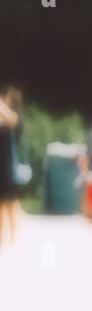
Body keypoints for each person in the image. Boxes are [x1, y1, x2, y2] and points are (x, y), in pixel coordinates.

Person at [0, 87, 25, 249]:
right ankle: (2, 238)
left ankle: (14, 237)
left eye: (6, 97)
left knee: (10, 203)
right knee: (1, 204)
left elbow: (9, 118)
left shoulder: (16, 117)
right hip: (2, 167)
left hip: (8, 168)